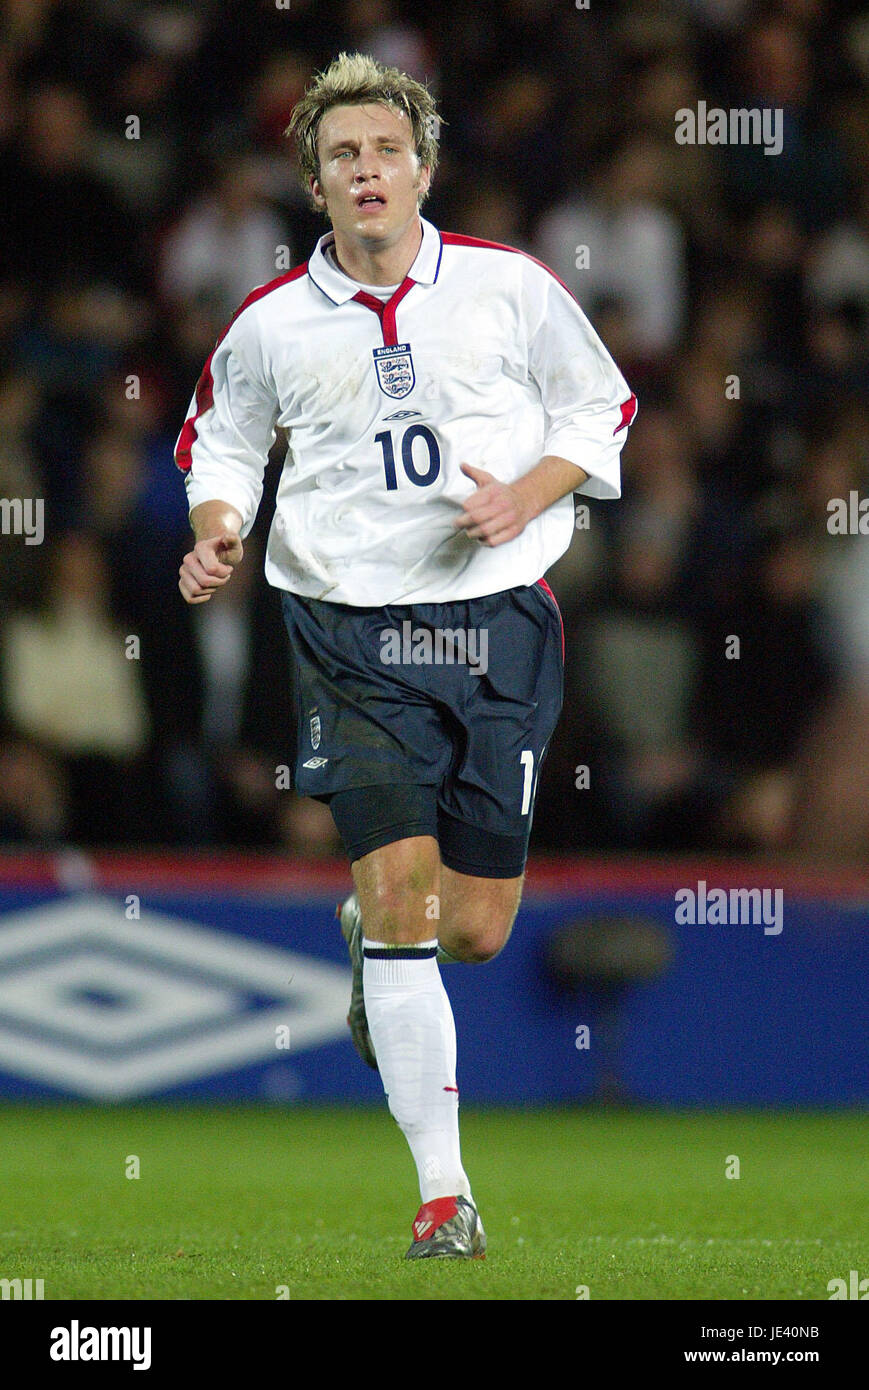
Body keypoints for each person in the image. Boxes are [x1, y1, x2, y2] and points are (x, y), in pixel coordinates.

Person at [175, 52, 635, 1259]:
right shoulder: (271, 322)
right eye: (340, 156)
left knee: (475, 927)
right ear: (314, 187)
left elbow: (601, 410)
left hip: (493, 618)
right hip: (342, 627)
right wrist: (218, 531)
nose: (364, 170)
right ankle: (446, 1197)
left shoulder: (508, 288)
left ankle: (368, 937)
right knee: (404, 901)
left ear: (422, 169)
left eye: (384, 150)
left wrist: (528, 491)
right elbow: (219, 446)